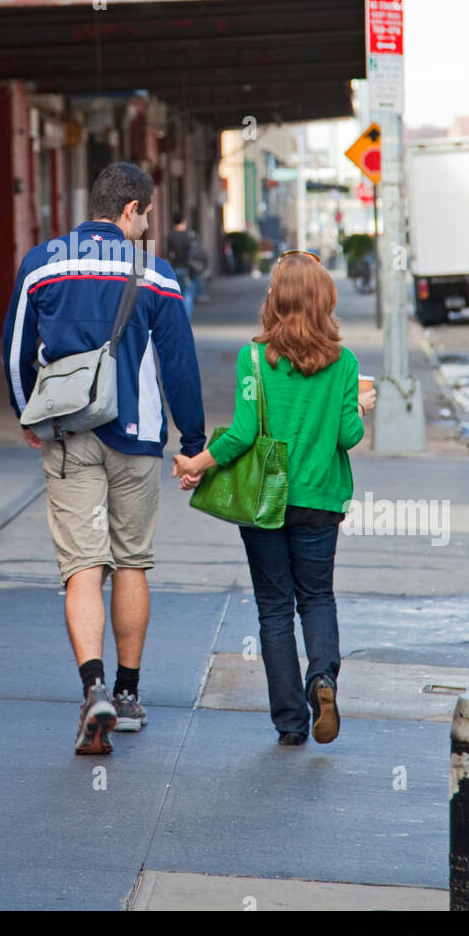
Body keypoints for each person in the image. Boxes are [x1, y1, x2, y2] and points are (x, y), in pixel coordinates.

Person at [3, 163, 205, 754]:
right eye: (148, 214)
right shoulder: (159, 277)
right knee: (132, 562)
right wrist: (193, 445)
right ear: (131, 210)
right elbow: (180, 367)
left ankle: (90, 686)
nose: (149, 225)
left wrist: (27, 414)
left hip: (67, 433)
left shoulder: (44, 263)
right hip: (137, 437)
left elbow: (14, 347)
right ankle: (126, 694)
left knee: (82, 568)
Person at [173, 251, 376, 746]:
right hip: (321, 499)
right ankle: (322, 679)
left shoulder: (253, 358)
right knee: (317, 597)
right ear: (323, 299)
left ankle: (290, 723)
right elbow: (347, 437)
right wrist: (360, 406)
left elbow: (243, 433)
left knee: (273, 609)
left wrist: (197, 463)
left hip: (265, 501)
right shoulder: (344, 362)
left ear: (277, 298)